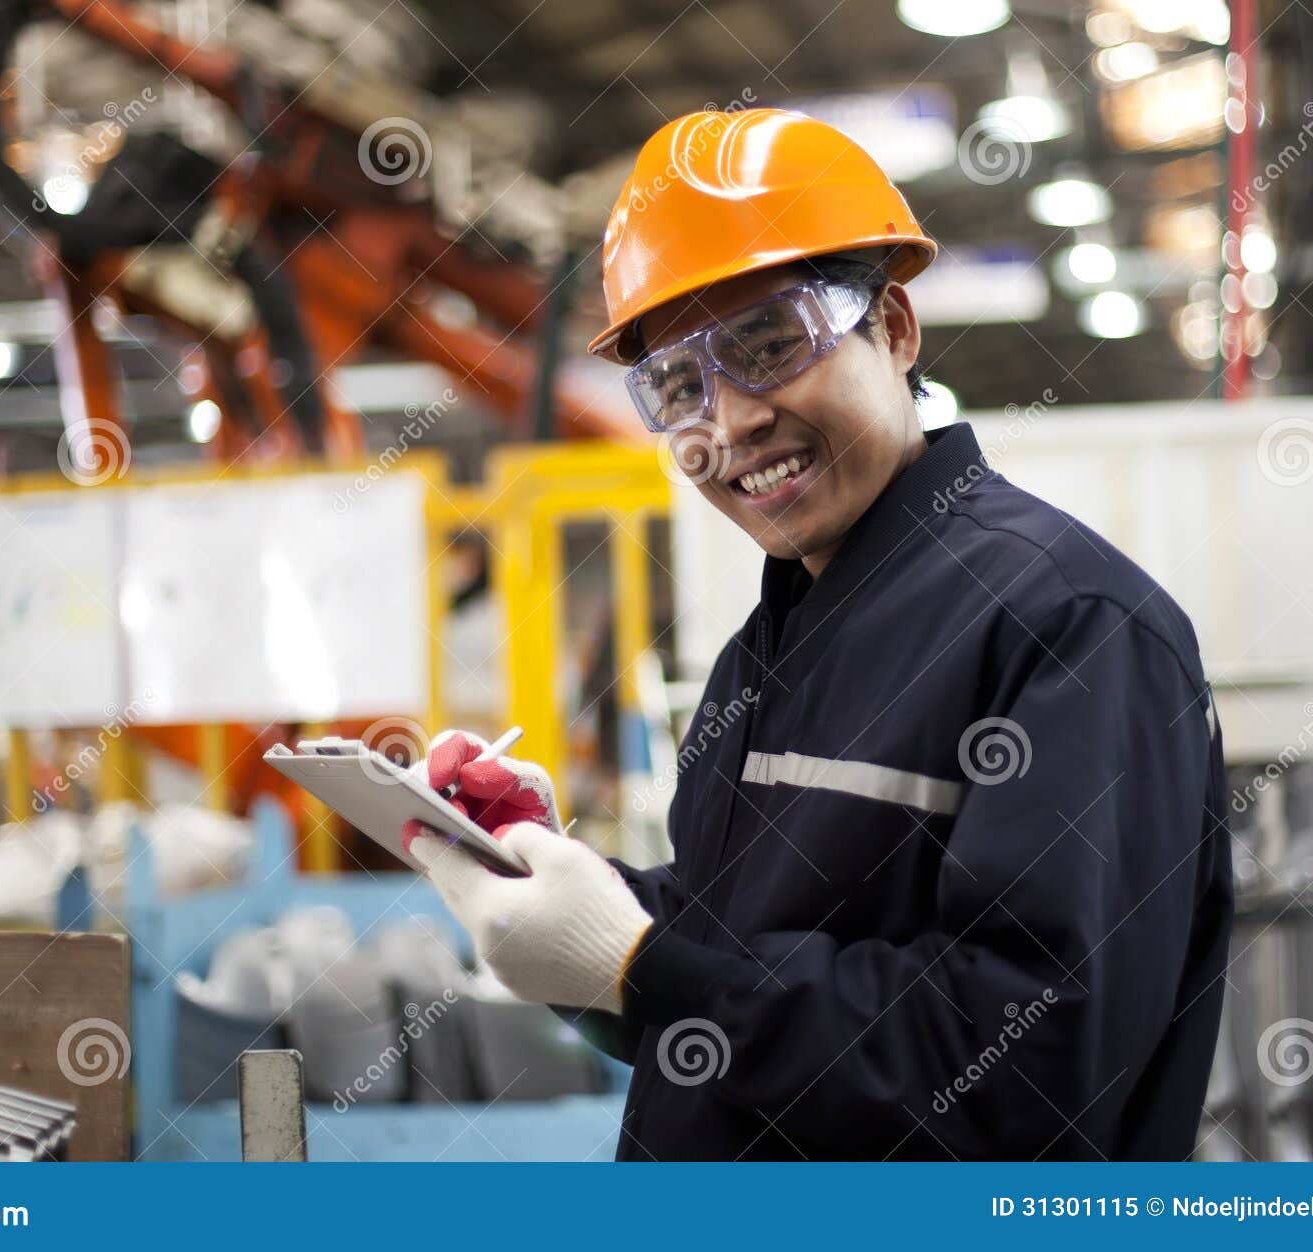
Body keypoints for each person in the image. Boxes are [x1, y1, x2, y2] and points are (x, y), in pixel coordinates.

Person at [402, 108, 1233, 1161]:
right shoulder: (773, 638)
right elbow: (742, 945)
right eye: (676, 385)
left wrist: (642, 964)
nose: (730, 422)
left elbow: (1025, 1076)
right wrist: (569, 887)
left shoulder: (1066, 627)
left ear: (892, 327)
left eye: (768, 343)